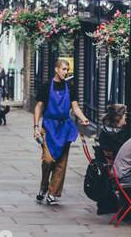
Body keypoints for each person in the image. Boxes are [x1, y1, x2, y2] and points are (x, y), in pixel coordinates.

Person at [33, 57, 90, 205]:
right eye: (64, 69)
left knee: (61, 163)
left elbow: (75, 107)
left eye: (67, 70)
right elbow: (39, 106)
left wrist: (83, 118)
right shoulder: (46, 86)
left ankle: (53, 193)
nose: (66, 72)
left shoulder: (70, 87)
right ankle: (44, 186)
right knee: (47, 160)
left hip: (65, 127)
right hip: (49, 126)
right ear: (56, 69)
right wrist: (36, 127)